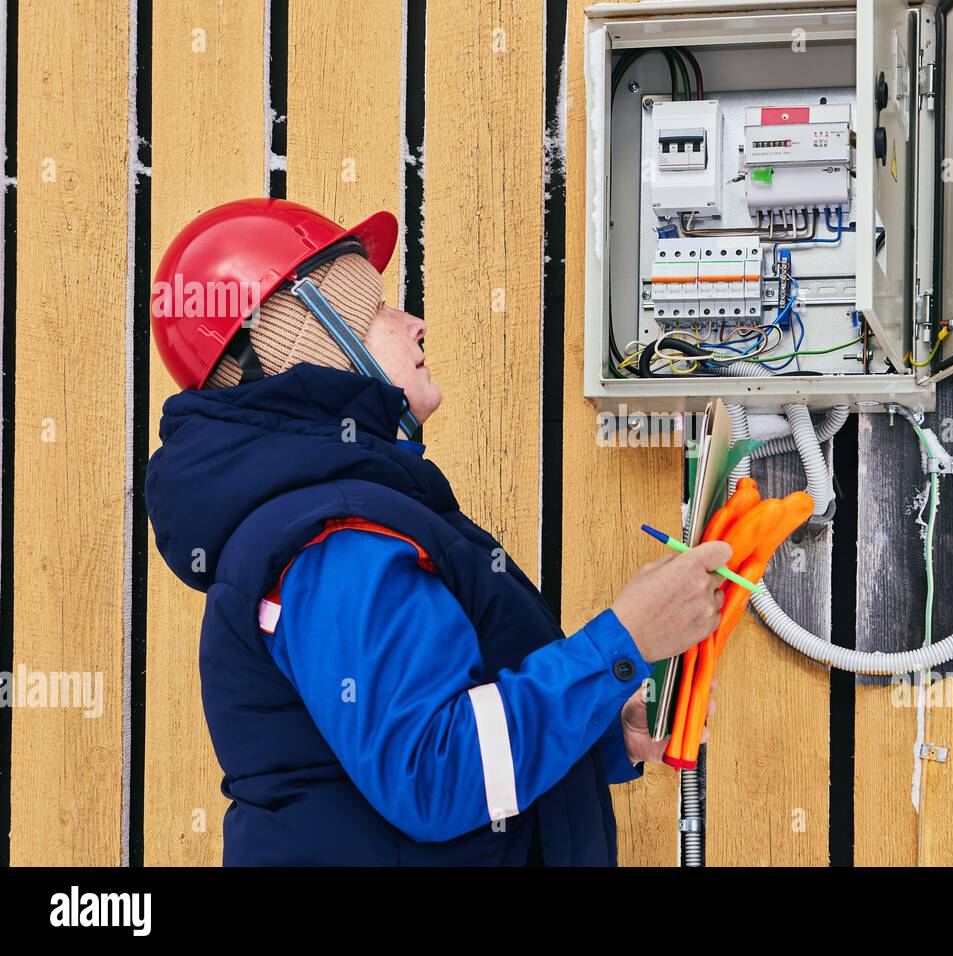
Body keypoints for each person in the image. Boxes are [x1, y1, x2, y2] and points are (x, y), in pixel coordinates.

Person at [145, 198, 729, 866]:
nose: (415, 324)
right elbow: (433, 775)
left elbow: (450, 733)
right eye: (378, 310)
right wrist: (622, 644)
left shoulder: (336, 511)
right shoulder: (330, 536)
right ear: (314, 340)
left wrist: (599, 722)